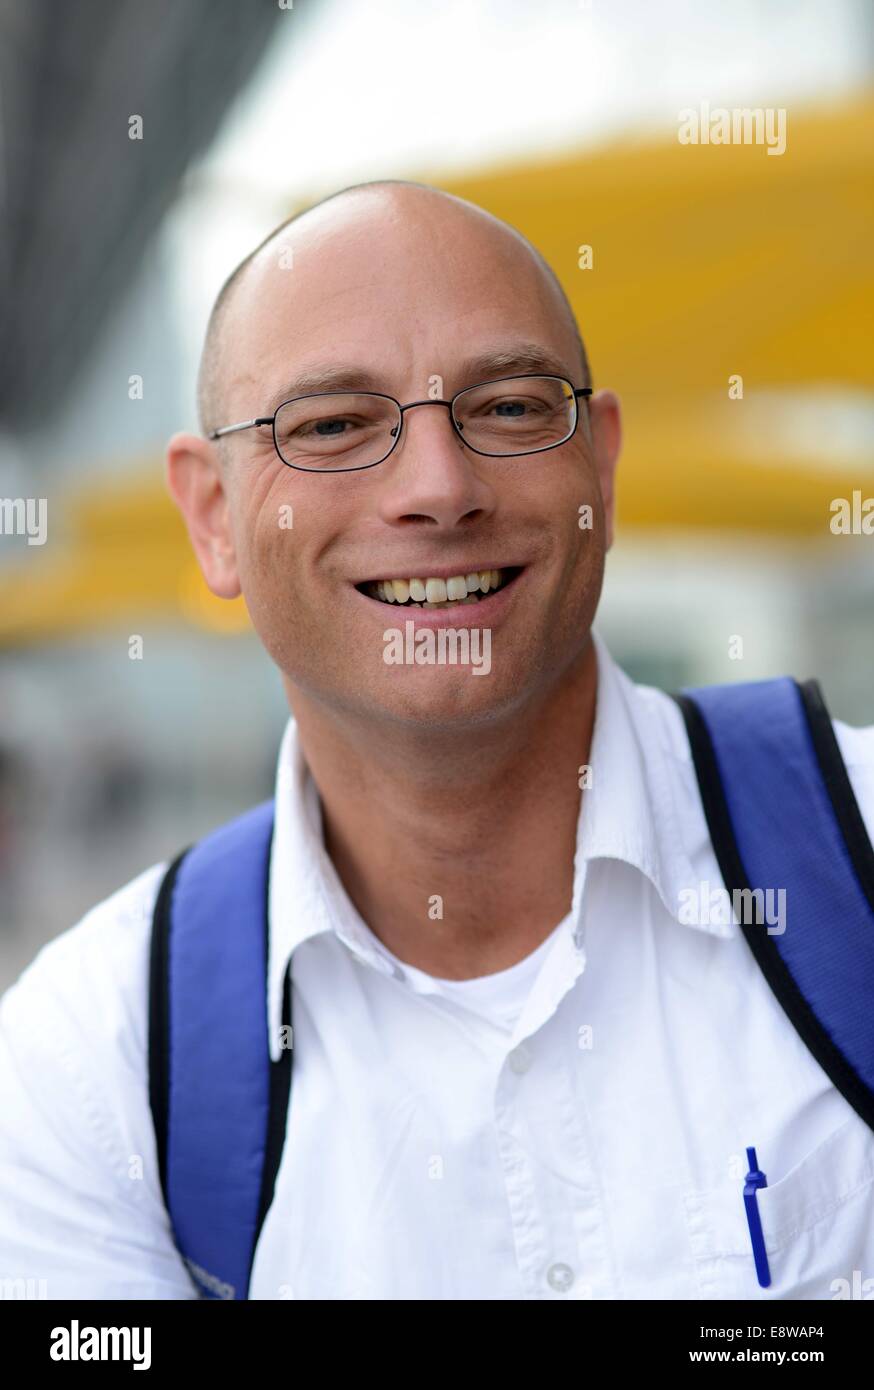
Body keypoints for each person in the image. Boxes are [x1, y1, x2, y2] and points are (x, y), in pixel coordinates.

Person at [1, 180, 872, 1301]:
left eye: (508, 407)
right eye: (330, 426)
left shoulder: (850, 848)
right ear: (213, 517)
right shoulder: (91, 1071)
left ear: (599, 468)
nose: (436, 487)